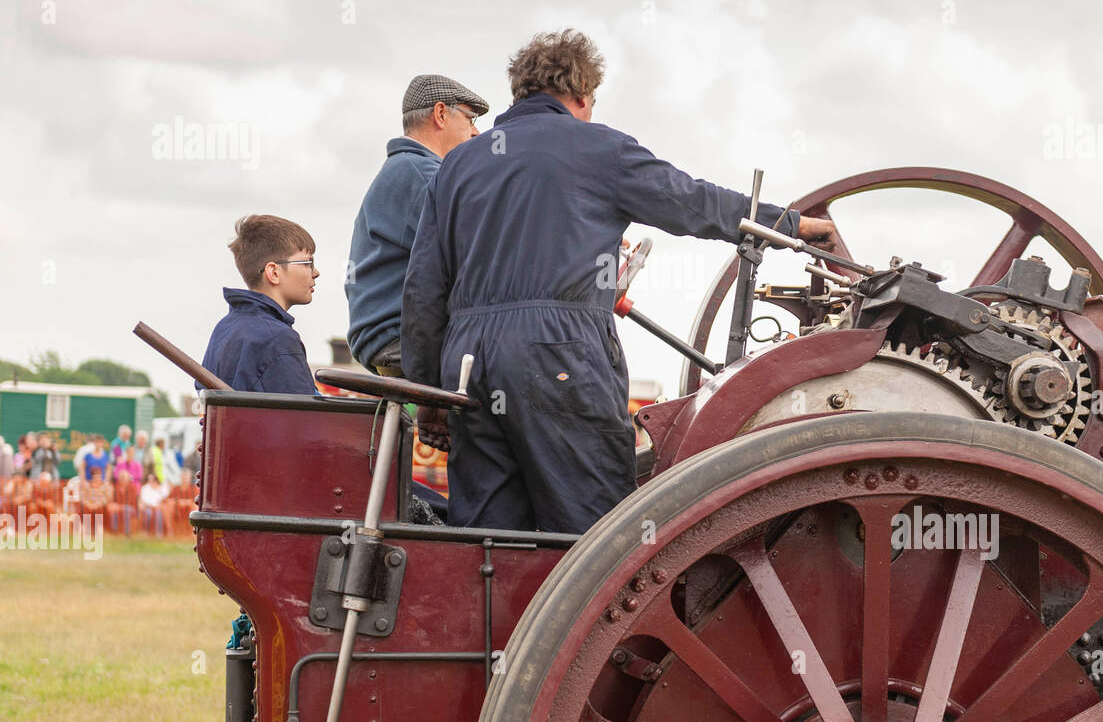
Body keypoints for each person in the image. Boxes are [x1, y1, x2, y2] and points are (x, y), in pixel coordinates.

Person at [402, 29, 835, 533]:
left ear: (520, 91)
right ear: (583, 94)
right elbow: (691, 200)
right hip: (560, 352)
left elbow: (424, 292)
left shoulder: (458, 164)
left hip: (469, 365)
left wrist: (430, 397)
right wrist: (788, 224)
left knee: (485, 538)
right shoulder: (598, 148)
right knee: (594, 535)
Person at [346, 74, 489, 376]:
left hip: (385, 336)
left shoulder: (406, 169)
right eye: (470, 118)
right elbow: (481, 252)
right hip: (399, 338)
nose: (477, 132)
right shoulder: (426, 176)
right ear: (440, 114)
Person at [200, 215, 320, 394]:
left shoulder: (223, 329)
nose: (316, 272)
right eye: (307, 263)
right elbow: (308, 416)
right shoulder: (278, 339)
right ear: (273, 272)